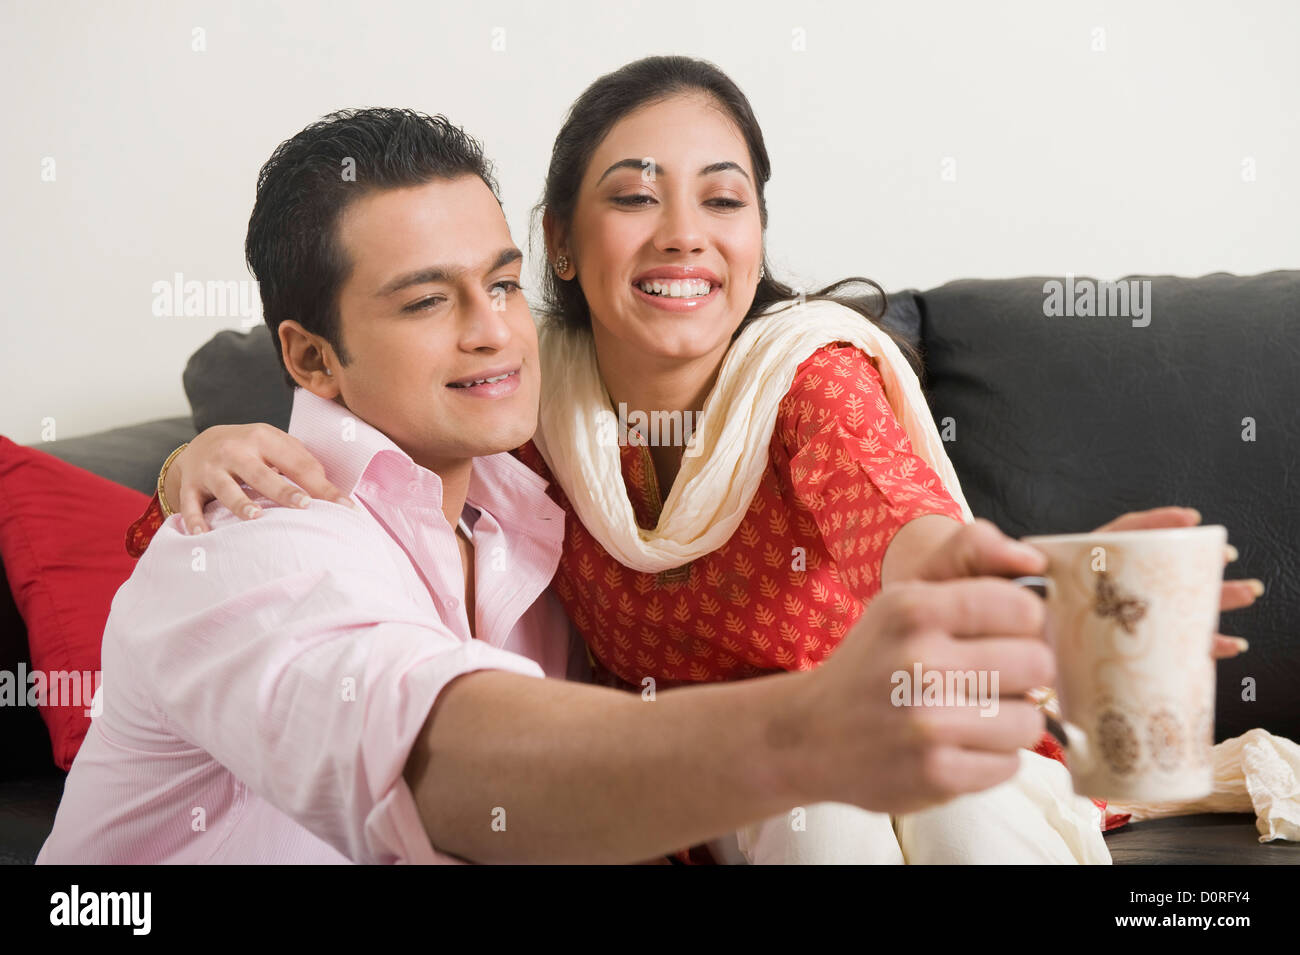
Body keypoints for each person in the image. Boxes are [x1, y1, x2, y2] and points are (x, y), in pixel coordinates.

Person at [133, 62, 1261, 863]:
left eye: (723, 198)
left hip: (904, 717)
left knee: (965, 812)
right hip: (736, 779)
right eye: (633, 197)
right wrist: (205, 453)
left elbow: (887, 507)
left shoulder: (802, 373)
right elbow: (406, 721)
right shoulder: (519, 428)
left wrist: (986, 572)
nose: (683, 232)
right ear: (567, 249)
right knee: (826, 826)